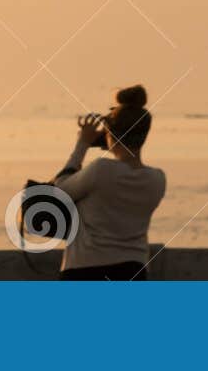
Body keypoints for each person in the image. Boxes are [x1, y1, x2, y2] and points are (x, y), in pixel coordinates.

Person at [53, 84, 166, 280]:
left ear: (110, 135)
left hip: (84, 271)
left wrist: (82, 145)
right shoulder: (157, 179)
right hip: (133, 271)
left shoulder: (101, 170)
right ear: (144, 136)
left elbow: (59, 191)